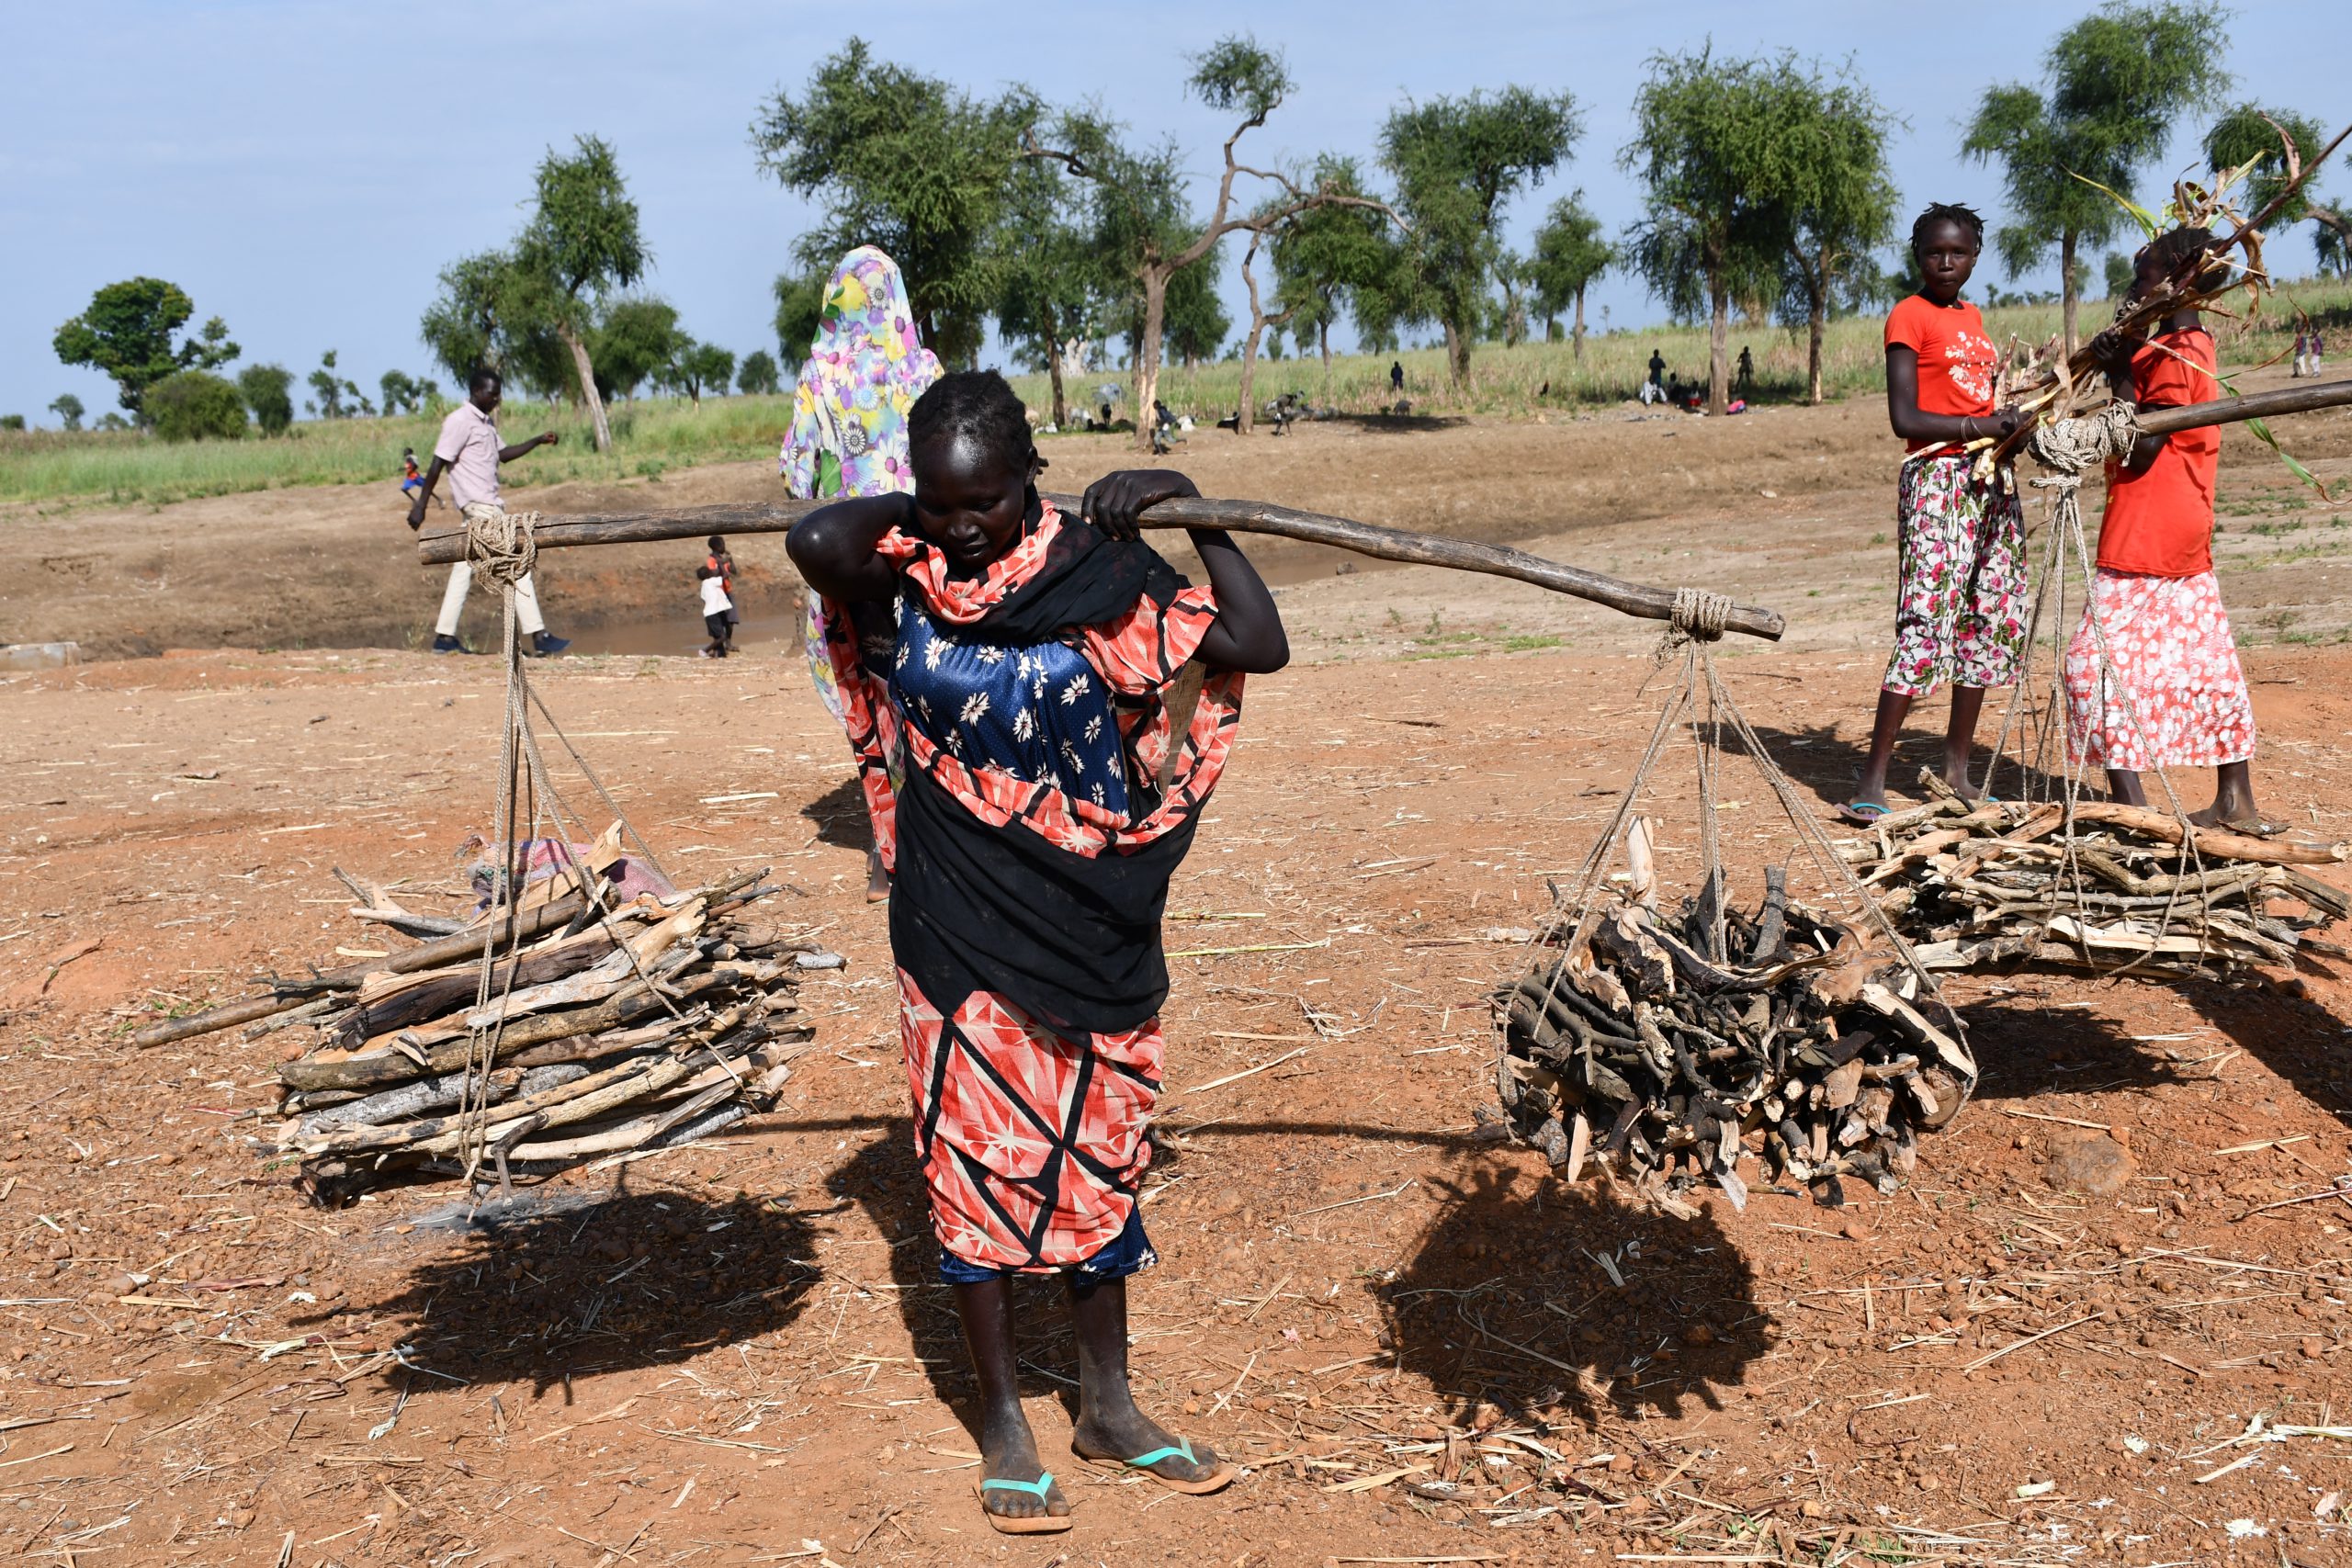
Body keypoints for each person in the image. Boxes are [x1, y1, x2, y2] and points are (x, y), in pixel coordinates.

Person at [786, 370, 1287, 1535]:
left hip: (1085, 911)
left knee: (1096, 1151)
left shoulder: (1097, 574)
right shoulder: (905, 577)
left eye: (987, 500)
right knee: (972, 1169)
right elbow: (816, 540)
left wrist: (1192, 506)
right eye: (942, 502)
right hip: (951, 919)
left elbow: (1256, 641)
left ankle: (1108, 1406)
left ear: (1031, 478)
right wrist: (919, 514)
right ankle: (1005, 1423)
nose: (965, 526)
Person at [2065, 230, 2273, 830]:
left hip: (2147, 531)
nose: (2133, 285)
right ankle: (2235, 798)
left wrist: (2120, 373)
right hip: (2183, 526)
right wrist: (2129, 356)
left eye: (2143, 273)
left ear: (2178, 276)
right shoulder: (2188, 344)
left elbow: (2143, 448)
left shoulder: (2175, 352)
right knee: (2205, 661)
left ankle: (2133, 808)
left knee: (2090, 666)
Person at [1842, 204, 2025, 824]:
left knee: (1986, 616)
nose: (1947, 262)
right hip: (1937, 481)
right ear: (1917, 256)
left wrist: (2013, 428)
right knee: (1926, 621)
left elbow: (1983, 401)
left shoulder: (1974, 319)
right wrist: (1983, 425)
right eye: (1935, 252)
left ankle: (1957, 773)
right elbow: (1906, 418)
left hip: (1989, 481)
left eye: (1959, 252)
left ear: (1976, 256)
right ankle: (1873, 777)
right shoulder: (1909, 316)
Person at [780, 246, 944, 901]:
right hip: (916, 553)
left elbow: (797, 475)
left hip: (845, 559)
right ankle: (935, 842)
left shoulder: (819, 373)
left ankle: (886, 853)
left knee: (869, 697)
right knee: (925, 692)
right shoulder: (923, 367)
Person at [406, 368, 569, 657]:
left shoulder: (486, 423)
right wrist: (421, 505)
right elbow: (437, 463)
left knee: (463, 568)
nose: (496, 399)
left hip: (484, 508)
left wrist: (536, 441)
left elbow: (502, 455)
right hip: (480, 508)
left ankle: (444, 637)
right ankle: (539, 635)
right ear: (475, 391)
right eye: (492, 394)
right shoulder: (459, 421)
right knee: (516, 560)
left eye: (498, 394)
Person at [705, 535, 740, 651]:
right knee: (719, 620)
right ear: (717, 546)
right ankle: (719, 646)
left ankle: (728, 644)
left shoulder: (723, 559)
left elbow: (734, 571)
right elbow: (714, 574)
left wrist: (731, 560)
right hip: (718, 594)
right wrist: (722, 562)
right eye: (722, 544)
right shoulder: (711, 560)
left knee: (731, 620)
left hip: (728, 592)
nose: (724, 546)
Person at [695, 562, 732, 659]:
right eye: (710, 571)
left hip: (711, 613)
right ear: (708, 574)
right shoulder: (711, 581)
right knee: (722, 637)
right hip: (713, 612)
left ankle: (717, 654)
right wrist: (721, 564)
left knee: (717, 636)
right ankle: (704, 650)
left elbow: (704, 600)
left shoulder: (704, 585)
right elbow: (725, 576)